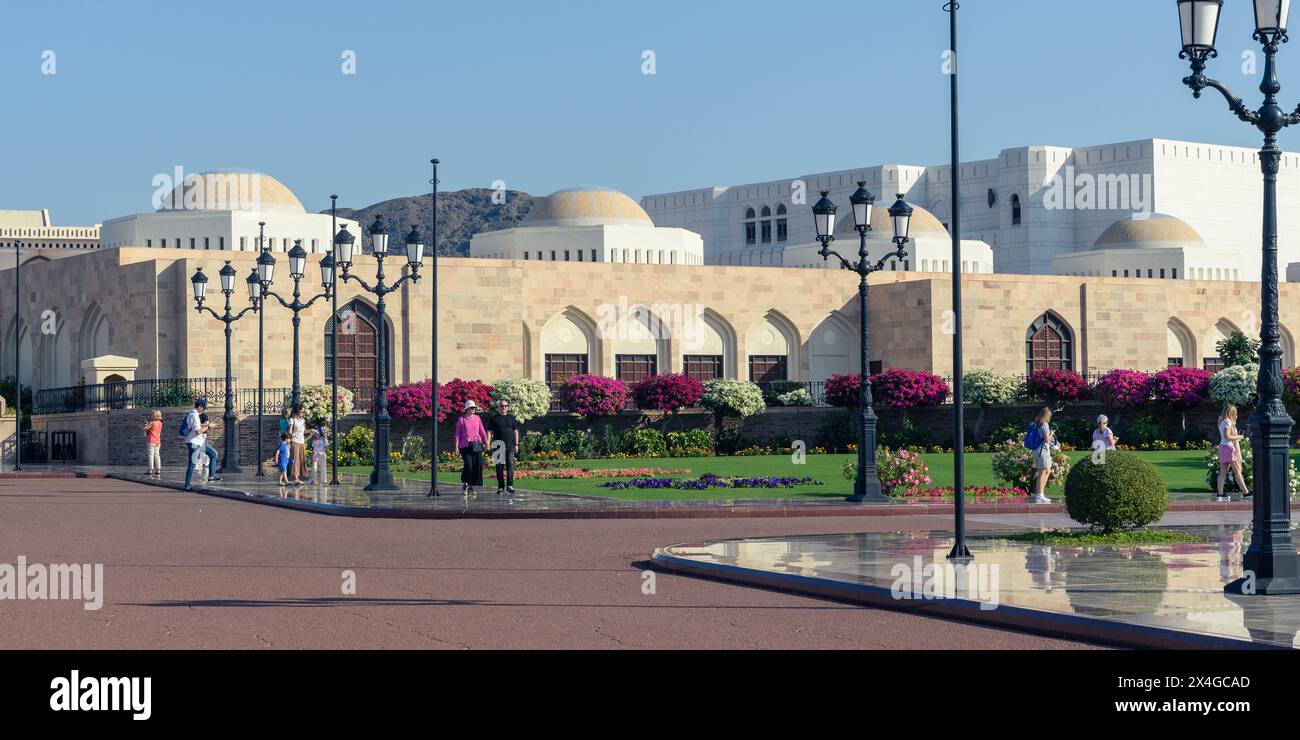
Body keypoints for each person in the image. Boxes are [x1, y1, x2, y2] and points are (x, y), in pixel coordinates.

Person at [183, 399, 221, 491]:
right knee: (192, 464)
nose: (203, 410)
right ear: (199, 406)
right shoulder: (195, 415)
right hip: (194, 443)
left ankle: (211, 476)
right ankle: (187, 486)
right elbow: (198, 431)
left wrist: (205, 426)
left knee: (213, 454)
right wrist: (208, 426)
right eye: (203, 408)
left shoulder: (190, 414)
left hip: (198, 442)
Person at [486, 398, 520, 494]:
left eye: (505, 406)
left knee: (510, 464)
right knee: (499, 466)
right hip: (498, 445)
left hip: (510, 445)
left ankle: (510, 485)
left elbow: (515, 431)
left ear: (508, 407)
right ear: (498, 407)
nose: (503, 407)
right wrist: (488, 443)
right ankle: (500, 487)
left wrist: (517, 444)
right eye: (501, 406)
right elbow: (489, 431)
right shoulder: (494, 418)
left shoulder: (511, 418)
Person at [1217, 404, 1251, 501]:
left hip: (1223, 446)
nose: (1236, 415)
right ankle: (1246, 492)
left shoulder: (1221, 421)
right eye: (1235, 413)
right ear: (1232, 413)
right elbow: (1227, 436)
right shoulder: (1227, 421)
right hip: (1229, 447)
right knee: (1237, 470)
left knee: (1223, 471)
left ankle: (1220, 493)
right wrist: (1239, 437)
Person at [454, 399, 488, 497]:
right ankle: (465, 483)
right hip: (465, 446)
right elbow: (457, 434)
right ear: (467, 409)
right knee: (468, 465)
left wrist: (487, 443)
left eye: (474, 408)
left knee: (476, 466)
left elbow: (482, 431)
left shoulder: (477, 418)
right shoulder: (461, 420)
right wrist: (456, 447)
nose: (473, 409)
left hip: (477, 445)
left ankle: (471, 486)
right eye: (472, 408)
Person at [1027, 406, 1056, 504]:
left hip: (1036, 450)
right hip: (1042, 450)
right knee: (1043, 471)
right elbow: (1047, 439)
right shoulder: (1044, 424)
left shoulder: (1035, 424)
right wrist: (1052, 434)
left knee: (1046, 470)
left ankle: (1040, 494)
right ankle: (1039, 494)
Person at [288, 405, 307, 485]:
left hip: (301, 441)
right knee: (295, 460)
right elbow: (289, 431)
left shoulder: (303, 420)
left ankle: (299, 477)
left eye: (303, 412)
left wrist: (311, 430)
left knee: (301, 460)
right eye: (301, 412)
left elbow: (304, 431)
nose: (303, 413)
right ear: (297, 412)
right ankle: (295, 477)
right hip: (295, 441)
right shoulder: (292, 420)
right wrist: (290, 439)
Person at [141, 409, 163, 476]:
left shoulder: (152, 423)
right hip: (158, 441)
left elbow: (144, 428)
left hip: (151, 441)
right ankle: (158, 469)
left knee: (151, 455)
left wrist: (145, 425)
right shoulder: (160, 423)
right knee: (157, 455)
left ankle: (150, 469)